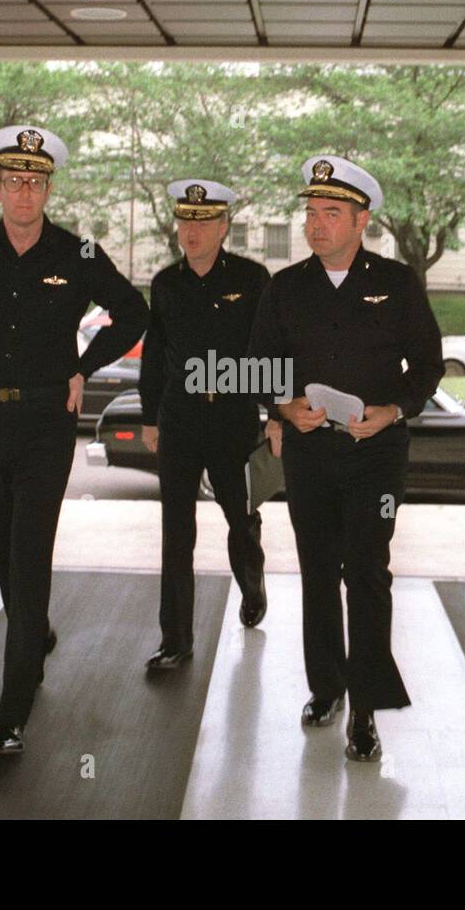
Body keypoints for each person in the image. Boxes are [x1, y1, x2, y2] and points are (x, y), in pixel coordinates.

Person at [0, 125, 148, 755]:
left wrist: (84, 367)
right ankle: (34, 626)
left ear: (49, 188)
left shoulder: (77, 254)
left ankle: (11, 711)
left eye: (37, 182)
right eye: (14, 181)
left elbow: (133, 312)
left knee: (30, 553)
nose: (26, 192)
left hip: (47, 422)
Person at [247, 155, 444, 762]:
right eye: (311, 213)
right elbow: (260, 368)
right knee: (317, 571)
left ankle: (365, 707)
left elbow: (429, 366)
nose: (316, 225)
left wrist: (393, 409)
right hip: (310, 454)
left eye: (331, 213)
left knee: (366, 572)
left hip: (376, 455)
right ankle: (326, 688)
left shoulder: (399, 282)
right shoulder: (284, 288)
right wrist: (284, 408)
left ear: (362, 223)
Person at [139, 179, 275, 670]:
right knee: (176, 532)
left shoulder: (253, 279)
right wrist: (150, 416)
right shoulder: (165, 284)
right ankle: (175, 640)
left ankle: (252, 578)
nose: (191, 231)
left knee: (240, 518)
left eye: (203, 221)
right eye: (185, 221)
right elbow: (155, 355)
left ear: (223, 227)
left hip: (232, 420)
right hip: (179, 419)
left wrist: (276, 410)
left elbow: (270, 350)